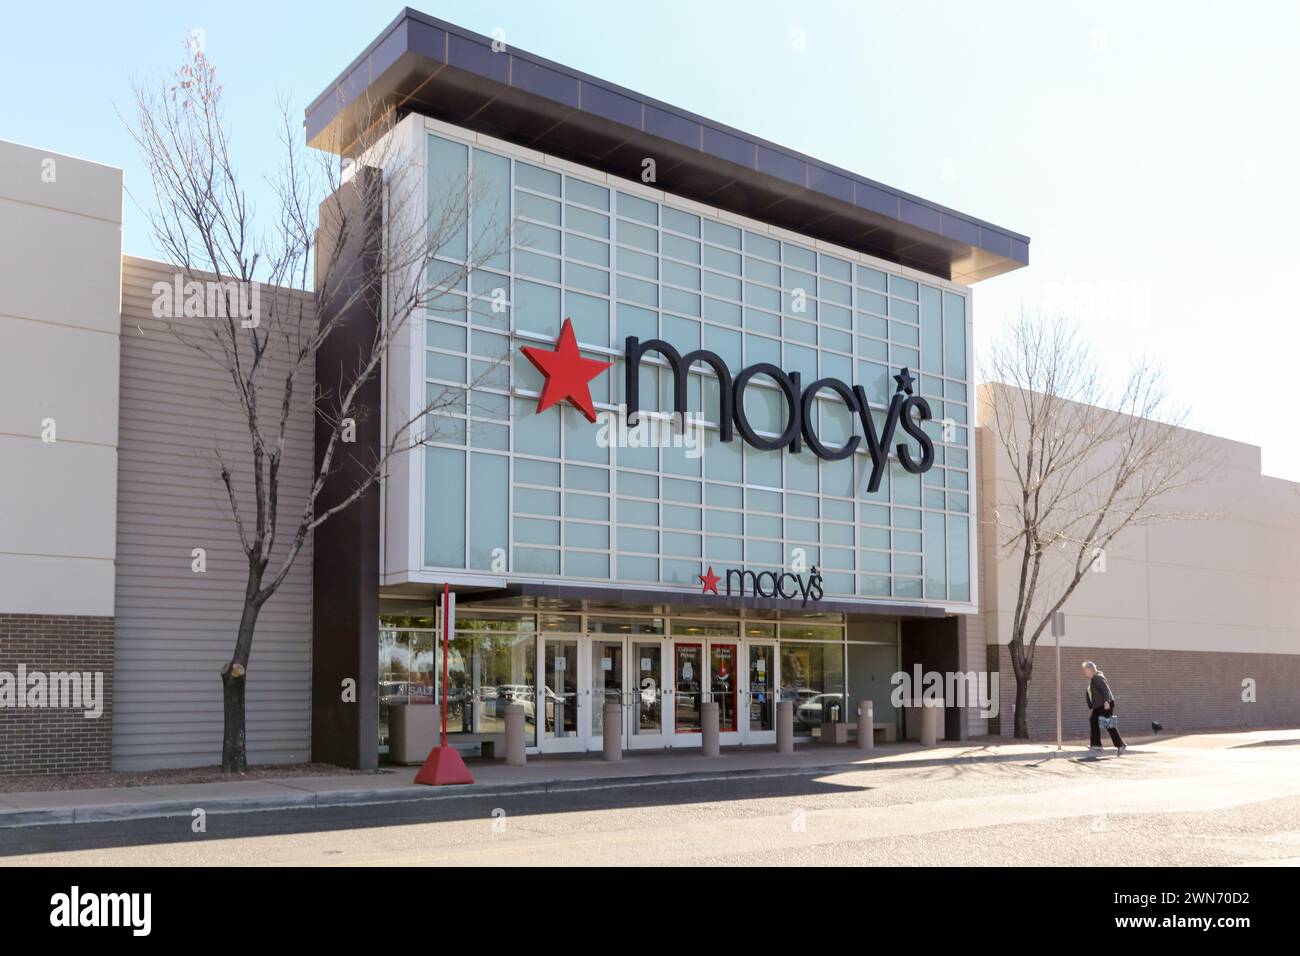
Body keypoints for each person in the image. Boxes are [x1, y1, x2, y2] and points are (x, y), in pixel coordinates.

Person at [1082, 660, 1127, 755]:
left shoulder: (1098, 678)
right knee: (1093, 720)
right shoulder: (1094, 679)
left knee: (1109, 724)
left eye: (1085, 670)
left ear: (1090, 669)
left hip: (1105, 704)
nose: (1084, 672)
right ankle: (1096, 744)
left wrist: (1107, 701)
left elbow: (1105, 689)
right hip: (1098, 706)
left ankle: (1121, 745)